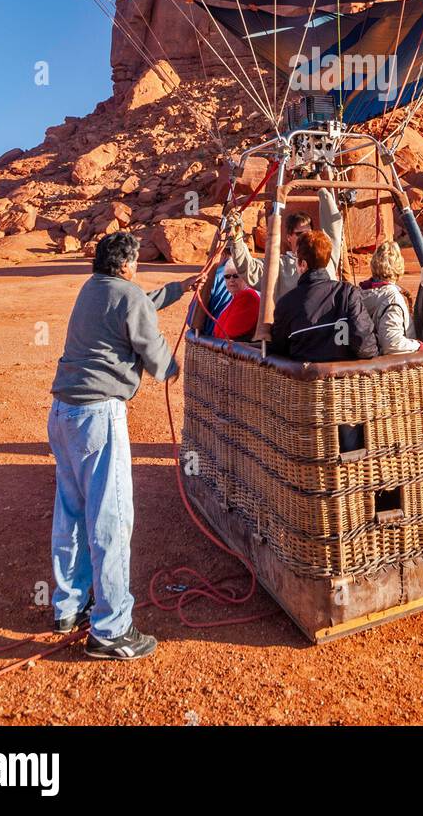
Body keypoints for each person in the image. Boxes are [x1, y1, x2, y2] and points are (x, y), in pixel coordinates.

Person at [48, 231, 200, 660]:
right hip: (99, 416)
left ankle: (68, 607)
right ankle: (112, 628)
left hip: (62, 413)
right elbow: (150, 344)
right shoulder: (126, 294)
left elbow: (135, 304)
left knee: (72, 511)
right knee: (111, 519)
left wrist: (177, 290)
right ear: (128, 264)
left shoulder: (92, 289)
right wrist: (170, 368)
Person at [270, 230, 378, 362]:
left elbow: (278, 351)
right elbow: (366, 347)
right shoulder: (347, 293)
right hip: (344, 379)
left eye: (296, 259)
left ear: (303, 264)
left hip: (303, 380)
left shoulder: (286, 304)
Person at [227, 184, 343, 301]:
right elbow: (250, 269)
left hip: (328, 318)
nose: (305, 237)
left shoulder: (324, 256)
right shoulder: (280, 266)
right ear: (289, 237)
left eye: (308, 233)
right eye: (299, 234)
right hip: (295, 318)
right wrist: (237, 240)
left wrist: (321, 189)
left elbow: (333, 226)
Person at [360, 240, 423, 354]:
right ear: (399, 266)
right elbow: (392, 343)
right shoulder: (392, 298)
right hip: (391, 366)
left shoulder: (359, 292)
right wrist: (418, 346)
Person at [212, 259, 260, 341]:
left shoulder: (248, 296)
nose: (231, 280)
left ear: (245, 277)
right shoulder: (235, 298)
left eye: (236, 276)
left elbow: (230, 331)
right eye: (227, 276)